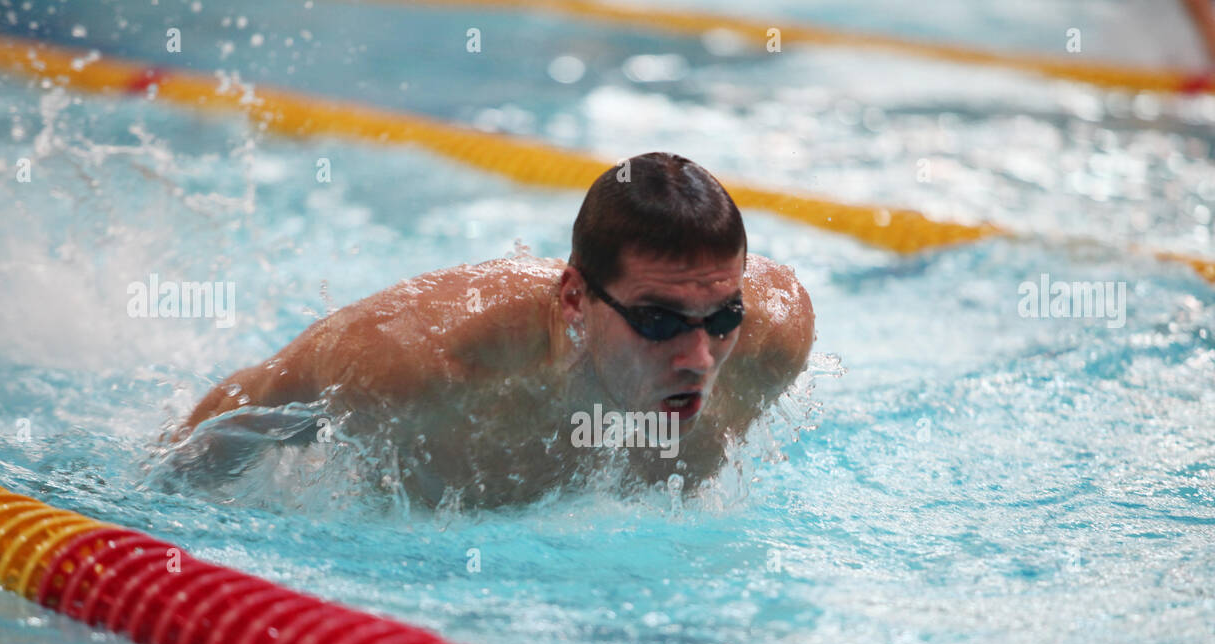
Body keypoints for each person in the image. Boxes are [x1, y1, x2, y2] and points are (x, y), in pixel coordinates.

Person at [169, 152, 815, 508]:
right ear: (573, 299)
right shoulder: (414, 361)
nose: (699, 358)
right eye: (657, 322)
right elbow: (235, 421)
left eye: (722, 317)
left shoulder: (772, 338)